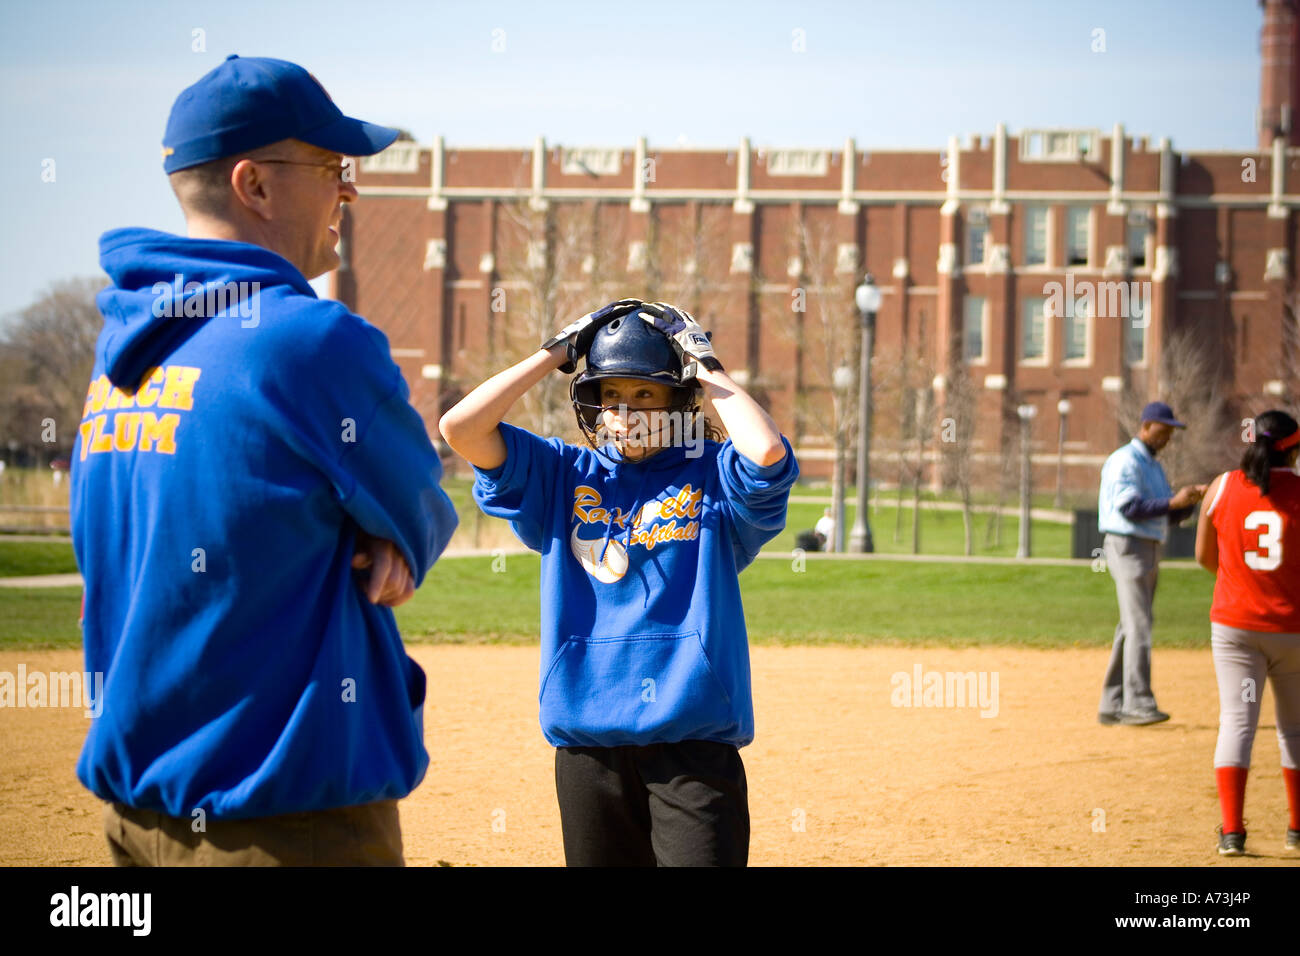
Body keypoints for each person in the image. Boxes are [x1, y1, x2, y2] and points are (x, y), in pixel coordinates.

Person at [71, 55, 458, 866]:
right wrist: (386, 535)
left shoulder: (120, 355)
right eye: (329, 167)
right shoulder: (310, 340)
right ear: (254, 185)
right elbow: (422, 505)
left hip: (135, 818)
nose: (348, 190)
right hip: (281, 825)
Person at [439, 300, 798, 866]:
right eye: (609, 396)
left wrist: (703, 364)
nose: (623, 413)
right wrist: (556, 353)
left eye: (644, 395)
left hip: (691, 744)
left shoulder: (711, 471)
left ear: (680, 401)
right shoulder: (562, 474)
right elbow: (460, 427)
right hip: (588, 744)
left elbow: (767, 450)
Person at [1194, 409, 1300, 856]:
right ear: (1293, 447)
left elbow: (1203, 556)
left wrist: (1242, 582)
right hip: (1293, 628)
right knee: (1294, 730)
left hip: (1235, 625)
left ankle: (1232, 833)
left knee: (1238, 722)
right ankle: (1296, 830)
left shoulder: (1221, 487)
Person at [1096, 401, 1206, 726]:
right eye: (1163, 429)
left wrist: (1187, 504)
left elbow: (1162, 511)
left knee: (1131, 626)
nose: (1168, 436)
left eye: (1171, 431)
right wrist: (1173, 501)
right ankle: (1138, 704)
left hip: (1148, 546)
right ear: (1145, 426)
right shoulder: (1125, 461)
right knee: (1139, 625)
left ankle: (1112, 702)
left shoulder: (1152, 466)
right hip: (1128, 546)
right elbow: (1129, 508)